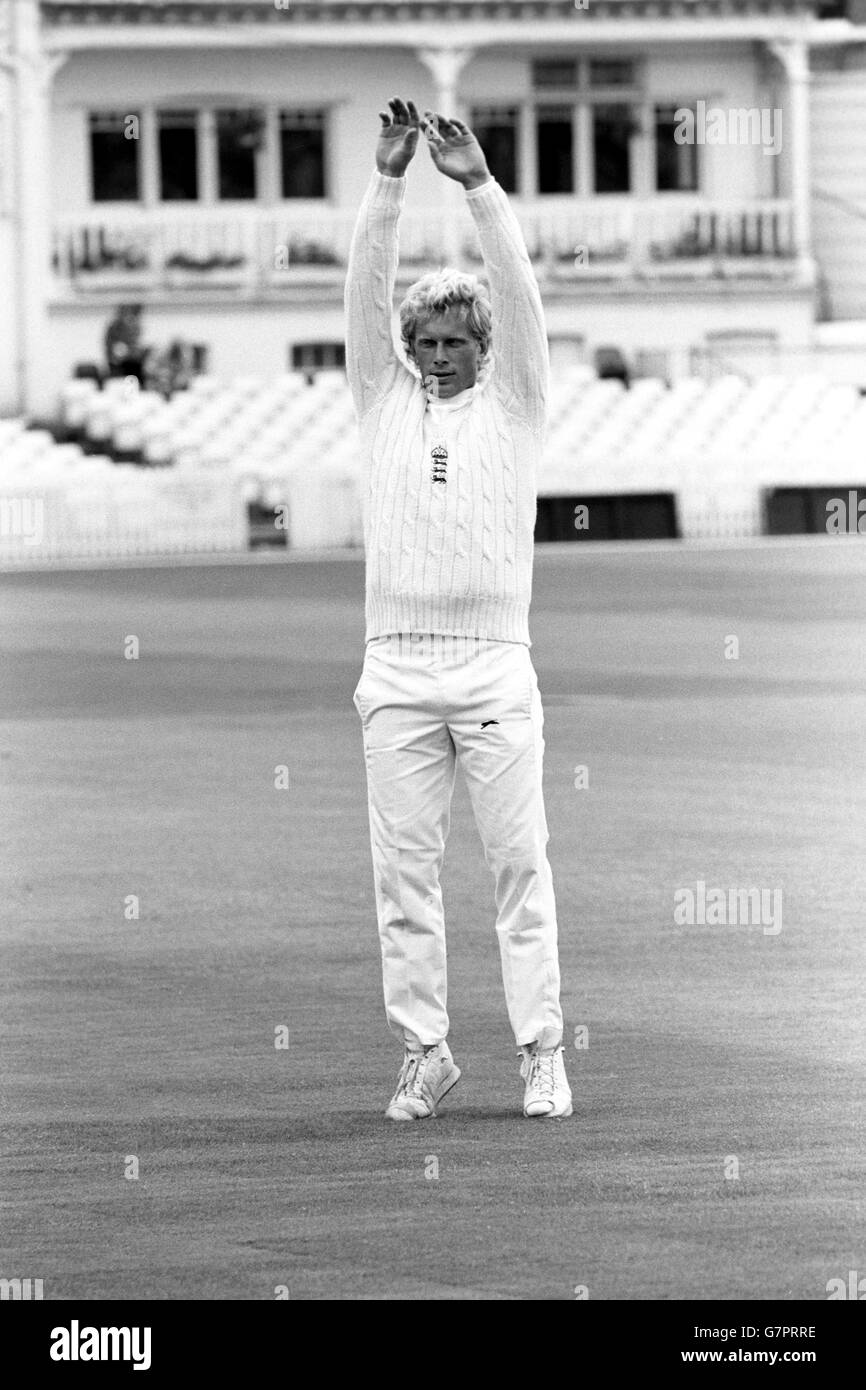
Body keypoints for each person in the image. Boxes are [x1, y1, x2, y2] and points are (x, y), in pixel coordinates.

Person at [344, 96, 572, 1122]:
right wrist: (389, 181)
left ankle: (540, 1053)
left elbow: (519, 297)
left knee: (517, 866)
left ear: (480, 346)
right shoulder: (380, 401)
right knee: (405, 880)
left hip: (490, 667)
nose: (434, 354)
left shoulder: (516, 401)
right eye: (421, 340)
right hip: (393, 669)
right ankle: (424, 1050)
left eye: (450, 339)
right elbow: (361, 294)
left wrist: (477, 187)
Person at [104, 304, 149, 384]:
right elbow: (115, 352)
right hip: (120, 365)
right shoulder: (116, 327)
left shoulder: (134, 326)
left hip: (131, 364)